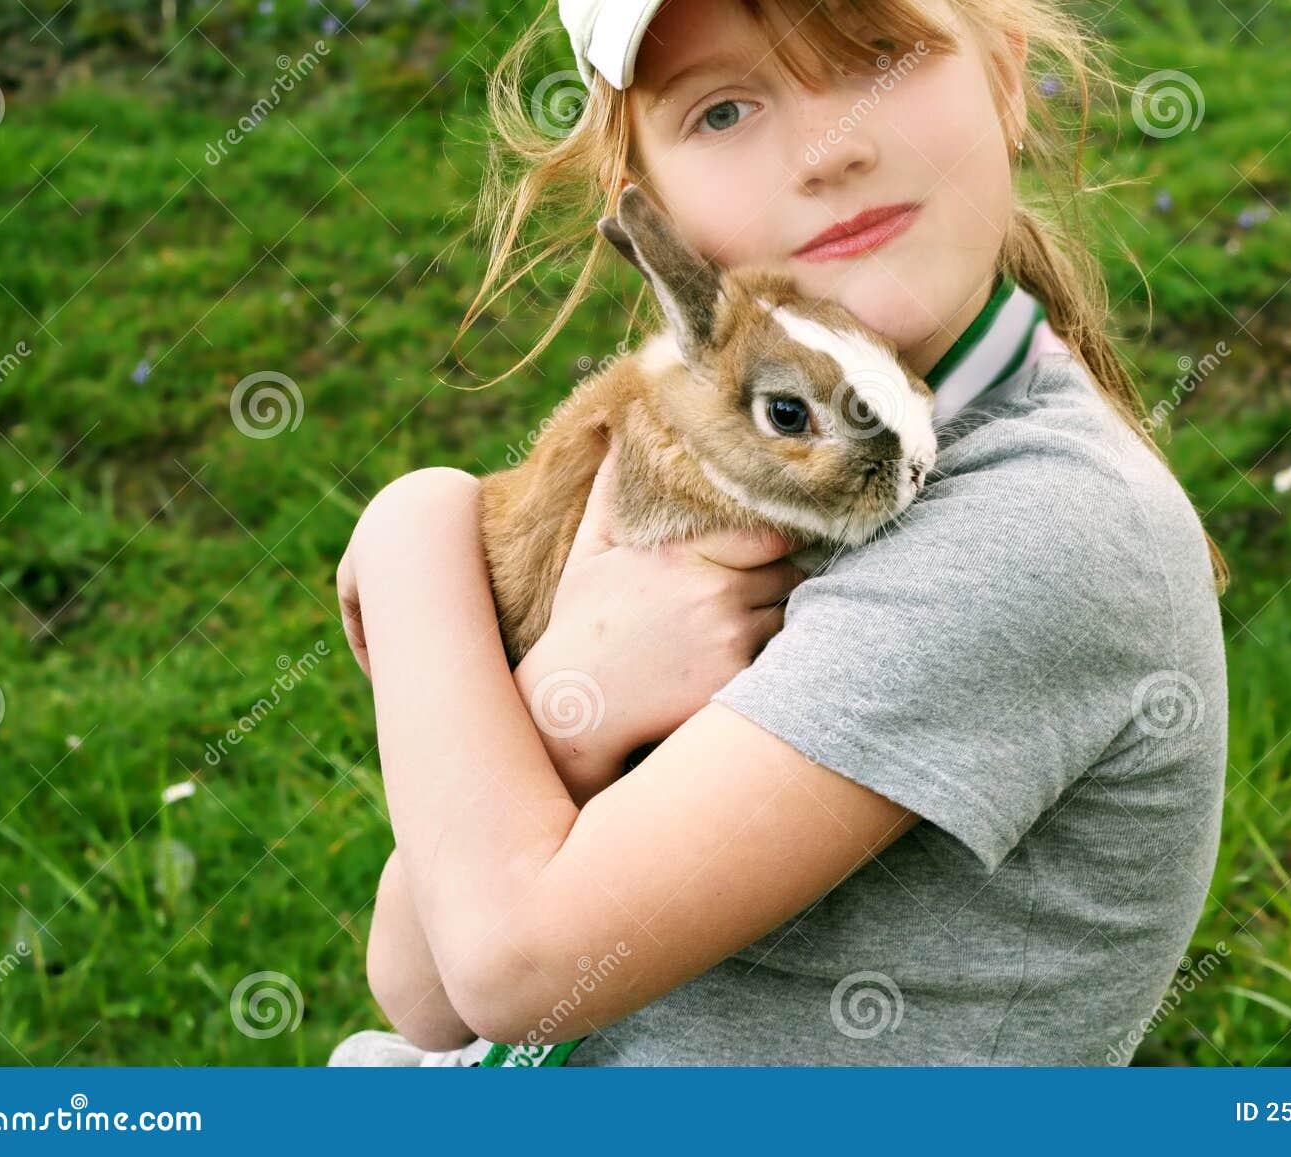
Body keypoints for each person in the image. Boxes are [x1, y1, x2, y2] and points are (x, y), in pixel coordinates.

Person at [328, 0, 1229, 1068]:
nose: (827, 151)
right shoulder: (724, 490)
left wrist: (408, 526)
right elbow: (420, 987)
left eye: (877, 56)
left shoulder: (1032, 532)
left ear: (1004, 79)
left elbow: (508, 968)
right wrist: (573, 718)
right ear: (653, 209)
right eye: (721, 111)